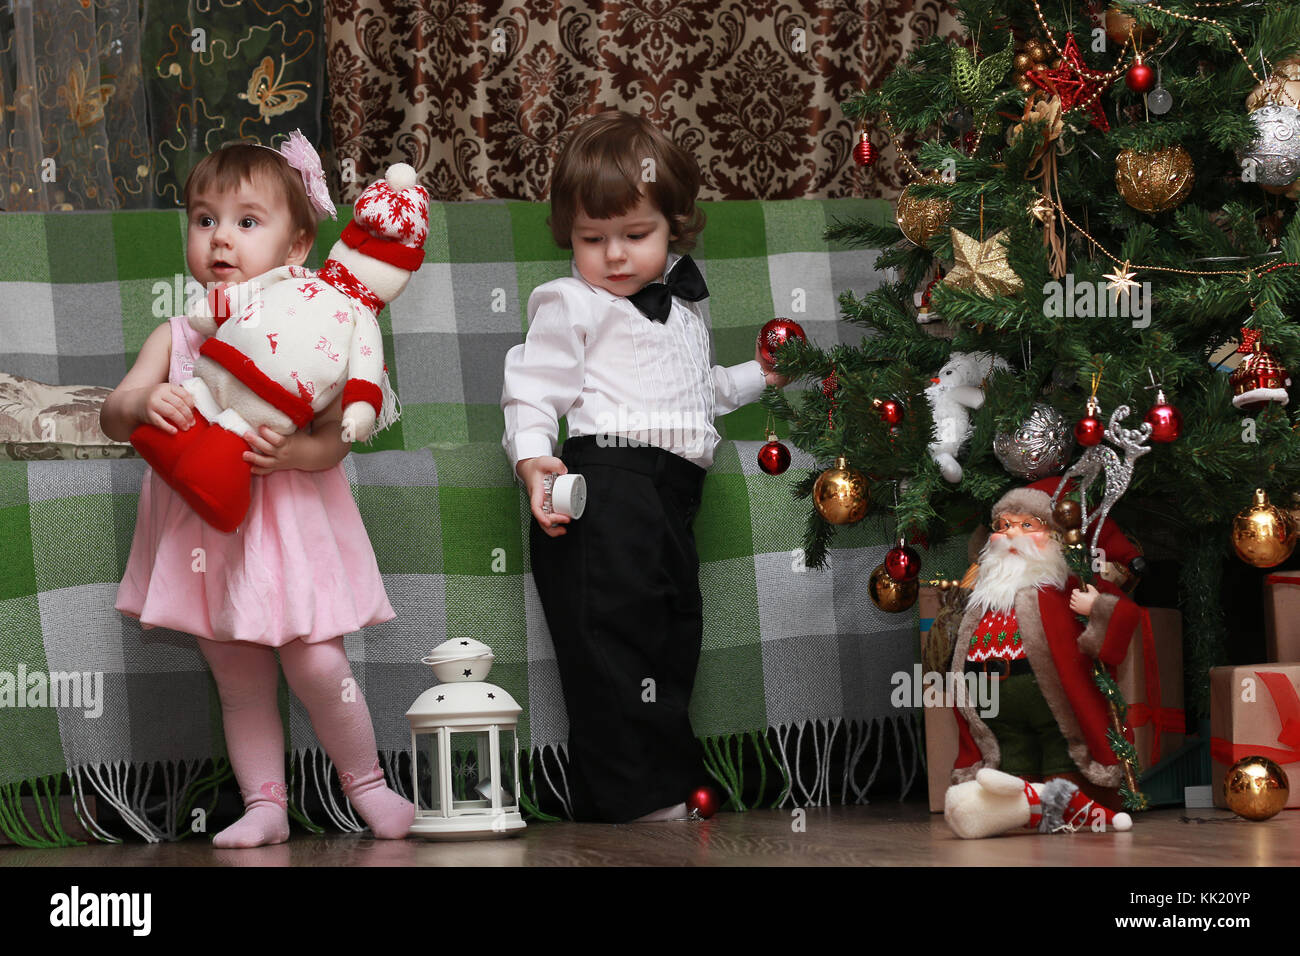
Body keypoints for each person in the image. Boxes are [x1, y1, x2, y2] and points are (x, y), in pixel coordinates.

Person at [102, 136, 413, 847]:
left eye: (247, 222)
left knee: (317, 662)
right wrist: (146, 403)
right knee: (238, 678)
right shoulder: (177, 334)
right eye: (204, 219)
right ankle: (264, 805)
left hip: (291, 531)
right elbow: (112, 414)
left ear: (298, 245)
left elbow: (341, 433)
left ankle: (367, 786)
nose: (219, 239)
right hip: (208, 539)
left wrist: (299, 451)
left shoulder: (311, 327)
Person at [501, 110, 788, 823]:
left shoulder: (683, 308)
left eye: (636, 235)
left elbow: (703, 396)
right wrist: (535, 460)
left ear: (676, 225)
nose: (615, 256)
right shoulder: (570, 303)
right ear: (570, 234)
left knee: (670, 634)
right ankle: (634, 794)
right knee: (612, 642)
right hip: (606, 488)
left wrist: (763, 374)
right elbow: (532, 387)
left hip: (671, 497)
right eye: (592, 239)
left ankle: (660, 783)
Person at [948, 481, 1143, 809]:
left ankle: (1066, 802)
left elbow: (1125, 615)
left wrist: (1096, 607)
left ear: (1053, 536)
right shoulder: (982, 595)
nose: (1011, 534)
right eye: (1004, 526)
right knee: (1008, 768)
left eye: (1026, 526)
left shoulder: (1065, 586)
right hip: (996, 710)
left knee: (1063, 759)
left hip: (1055, 708)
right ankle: (1013, 806)